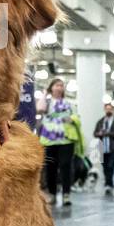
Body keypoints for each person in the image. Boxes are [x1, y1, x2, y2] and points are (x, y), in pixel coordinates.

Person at [37, 78, 84, 207]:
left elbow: (77, 118)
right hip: (49, 140)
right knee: (50, 168)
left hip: (66, 140)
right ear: (51, 88)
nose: (59, 88)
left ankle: (66, 194)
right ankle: (52, 194)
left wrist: (72, 119)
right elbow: (39, 109)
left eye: (61, 86)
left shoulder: (69, 103)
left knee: (65, 167)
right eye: (57, 85)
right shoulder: (47, 102)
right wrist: (44, 94)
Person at [93, 102, 114, 196]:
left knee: (111, 166)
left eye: (110, 109)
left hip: (113, 148)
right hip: (102, 148)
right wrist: (99, 134)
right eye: (107, 108)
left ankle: (108, 185)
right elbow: (95, 133)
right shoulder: (101, 122)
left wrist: (109, 133)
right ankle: (109, 184)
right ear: (104, 109)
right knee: (105, 167)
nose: (108, 110)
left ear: (113, 110)